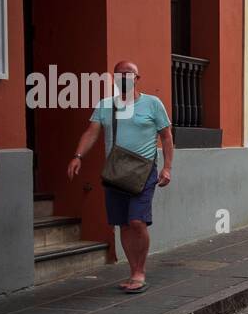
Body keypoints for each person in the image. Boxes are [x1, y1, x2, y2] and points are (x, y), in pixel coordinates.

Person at [68, 61, 174, 293]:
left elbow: (166, 136)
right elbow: (91, 132)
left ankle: (140, 271)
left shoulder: (152, 104)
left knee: (137, 221)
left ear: (137, 78)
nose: (124, 78)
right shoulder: (106, 106)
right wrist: (78, 156)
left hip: (143, 171)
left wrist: (167, 167)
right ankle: (133, 271)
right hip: (115, 172)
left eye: (129, 74)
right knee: (124, 224)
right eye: (119, 75)